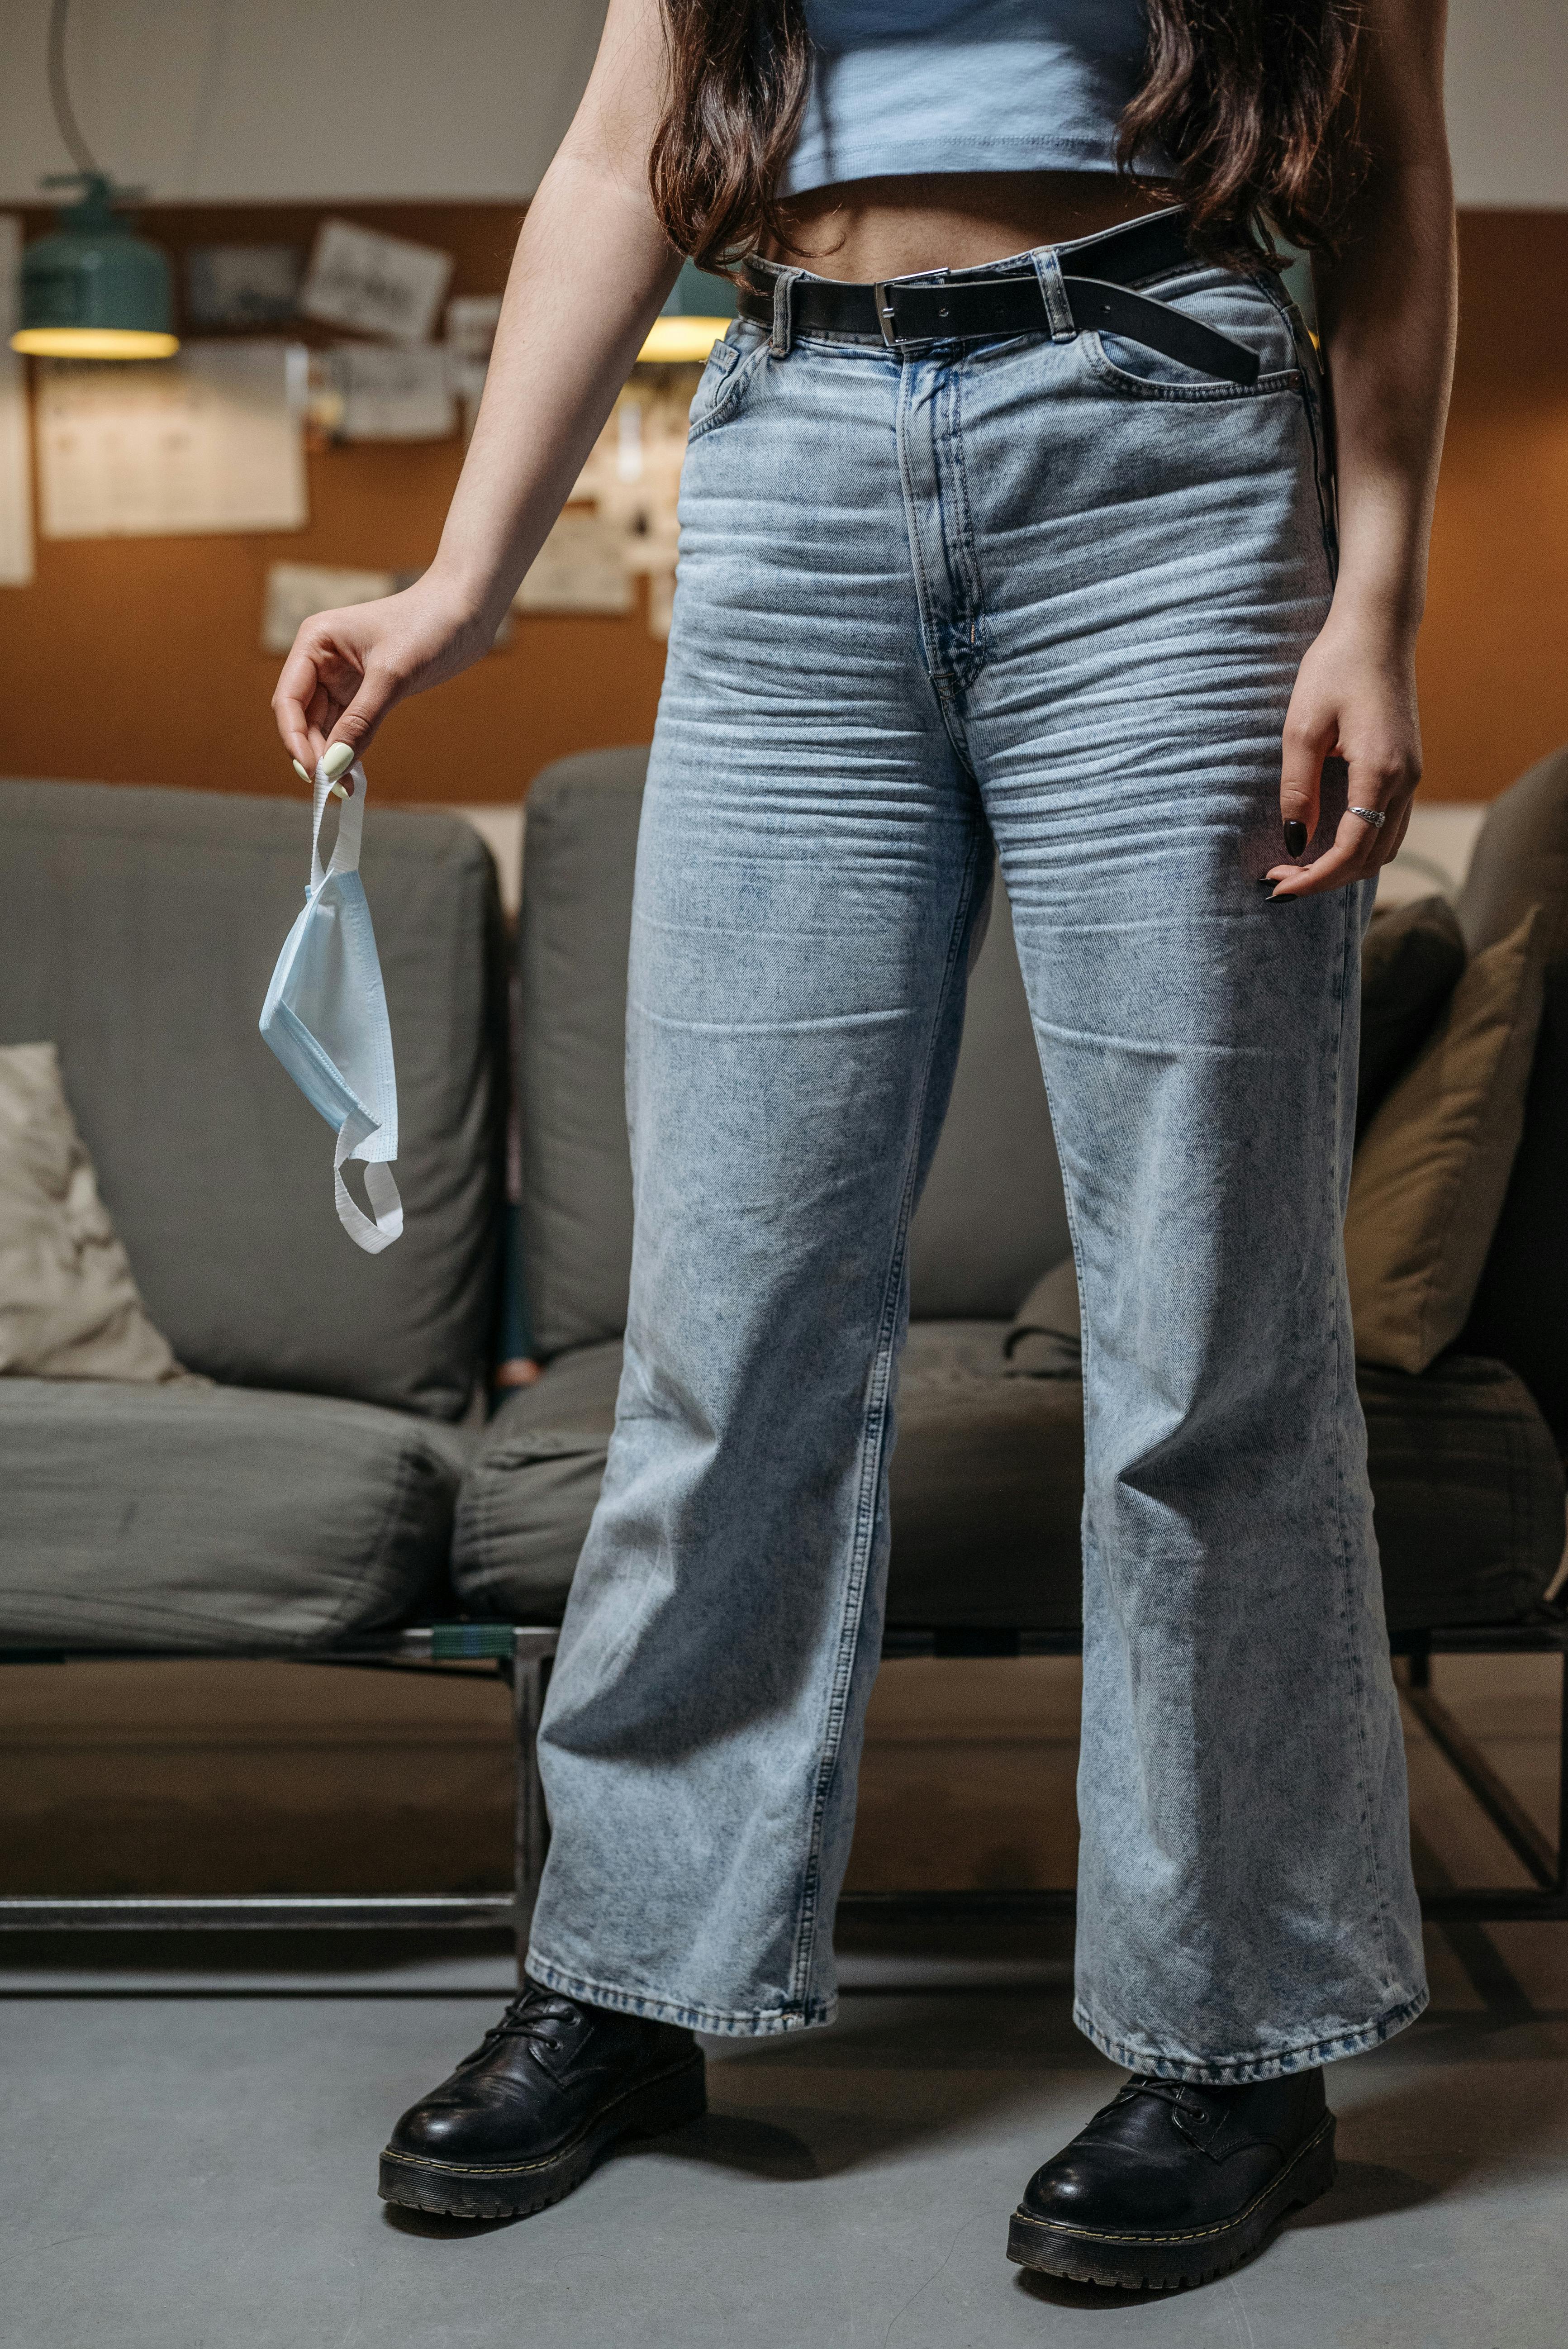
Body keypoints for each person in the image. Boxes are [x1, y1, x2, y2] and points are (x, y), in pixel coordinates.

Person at [273, 0, 1455, 2292]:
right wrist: (466, 571)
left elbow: (1394, 162)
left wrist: (1376, 598)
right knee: (725, 1305)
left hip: (1165, 449)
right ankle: (630, 1974)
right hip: (794, 438)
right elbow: (629, 138)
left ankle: (1237, 2024)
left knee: (1208, 1322)